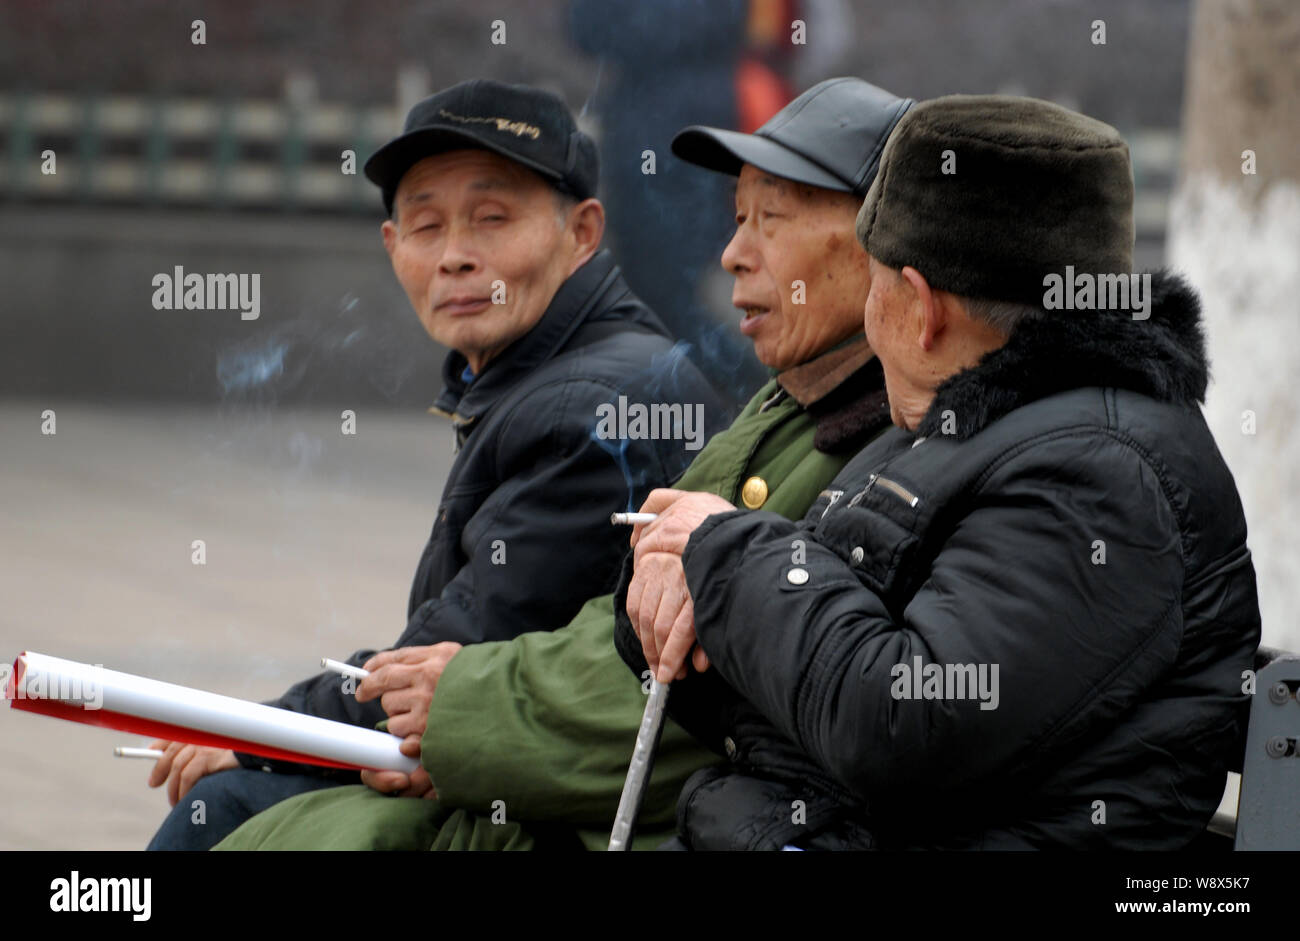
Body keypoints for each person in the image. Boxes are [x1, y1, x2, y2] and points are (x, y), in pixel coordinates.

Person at [213, 78, 915, 850]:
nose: (733, 255)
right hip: (569, 781)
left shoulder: (604, 402)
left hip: (640, 811)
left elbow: (703, 689)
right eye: (424, 225)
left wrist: (440, 718)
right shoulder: (787, 402)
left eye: (770, 220)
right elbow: (615, 626)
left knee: (248, 811)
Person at [616, 95, 1263, 850]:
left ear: (919, 305)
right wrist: (671, 577)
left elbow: (903, 723)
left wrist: (724, 556)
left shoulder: (1099, 475)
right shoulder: (964, 422)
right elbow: (809, 685)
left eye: (876, 282)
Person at [144, 79, 726, 850]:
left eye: (493, 218)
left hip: (585, 802)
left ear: (582, 233)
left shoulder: (592, 401)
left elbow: (467, 646)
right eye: (426, 224)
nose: (456, 256)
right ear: (393, 247)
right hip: (517, 754)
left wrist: (259, 732)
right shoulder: (545, 372)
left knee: (222, 806)